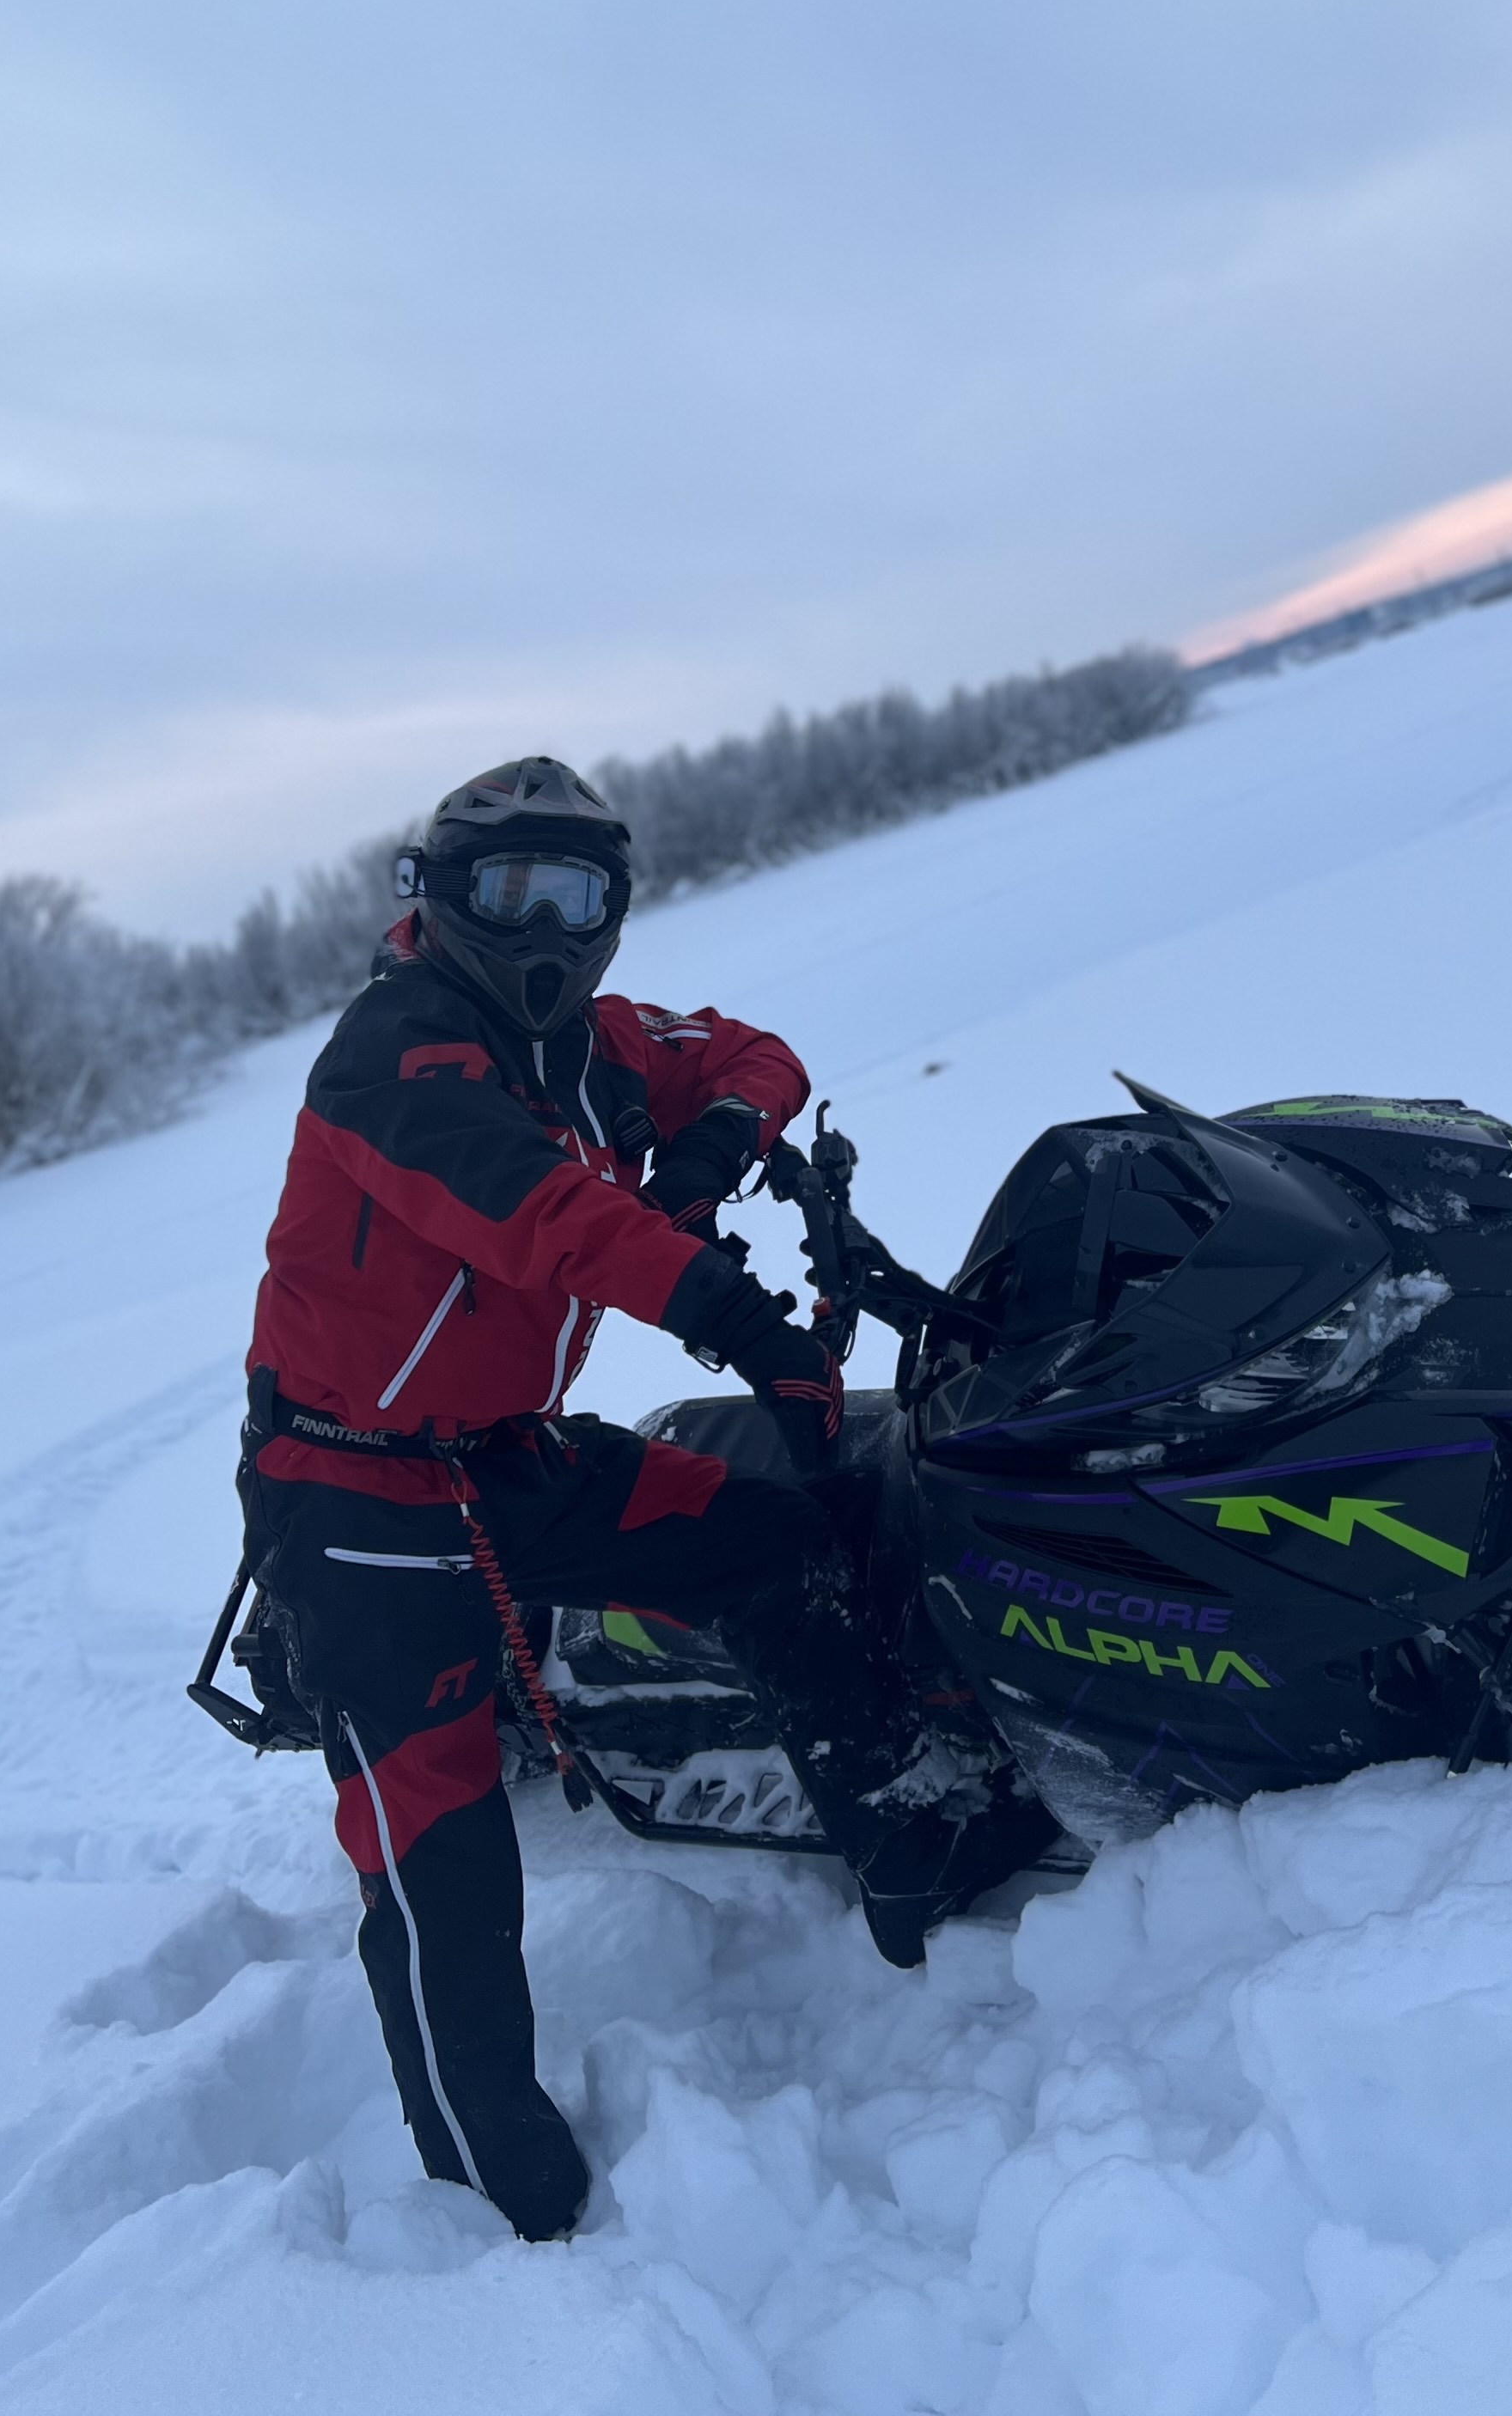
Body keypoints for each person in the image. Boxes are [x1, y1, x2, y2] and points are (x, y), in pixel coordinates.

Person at [238, 755, 1051, 2240]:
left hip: (508, 1455)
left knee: (775, 1544)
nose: (544, 928)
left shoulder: (600, 1044)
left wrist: (722, 1135)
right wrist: (727, 1312)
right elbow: (543, 1217)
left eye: (580, 895)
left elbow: (755, 1050)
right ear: (437, 900)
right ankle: (501, 2213)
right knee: (441, 1861)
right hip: (352, 1496)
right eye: (508, 892)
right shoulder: (394, 1058)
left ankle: (904, 1838)